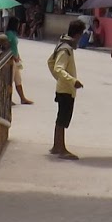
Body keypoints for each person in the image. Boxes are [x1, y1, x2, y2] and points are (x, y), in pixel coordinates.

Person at [47, 19, 86, 159]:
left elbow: (50, 62)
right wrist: (72, 81)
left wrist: (60, 79)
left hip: (63, 87)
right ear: (77, 34)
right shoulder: (66, 49)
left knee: (60, 118)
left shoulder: (62, 44)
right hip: (66, 90)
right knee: (63, 119)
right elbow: (58, 67)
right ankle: (61, 148)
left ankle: (56, 146)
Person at [4, 24, 33, 105]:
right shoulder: (9, 33)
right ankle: (7, 98)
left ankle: (22, 98)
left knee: (18, 79)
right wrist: (13, 56)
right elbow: (8, 45)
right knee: (10, 80)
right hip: (11, 59)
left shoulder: (13, 33)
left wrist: (18, 56)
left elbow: (15, 47)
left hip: (15, 58)